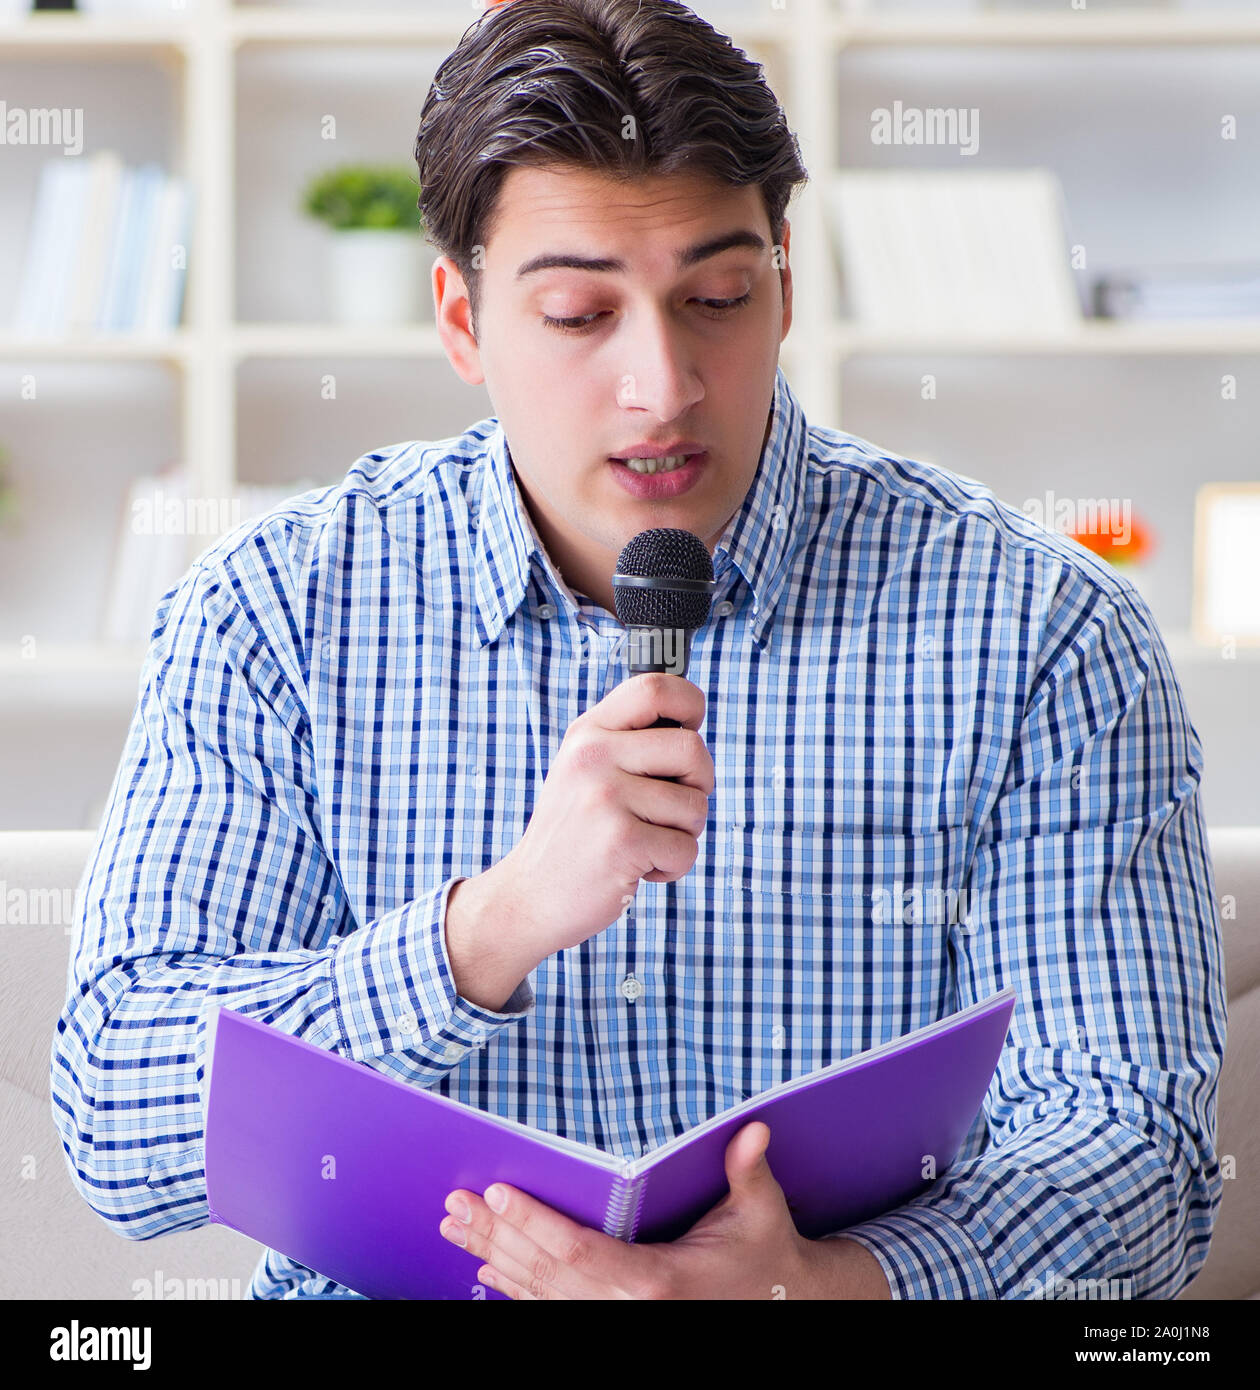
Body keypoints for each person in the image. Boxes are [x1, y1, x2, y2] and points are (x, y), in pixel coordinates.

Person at [52, 0, 1225, 1301]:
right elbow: (116, 1121)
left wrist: (830, 1283)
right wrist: (483, 930)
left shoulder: (1044, 633)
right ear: (461, 319)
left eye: (716, 296)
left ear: (784, 279)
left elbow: (1136, 1154)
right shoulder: (277, 610)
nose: (661, 383)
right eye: (575, 314)